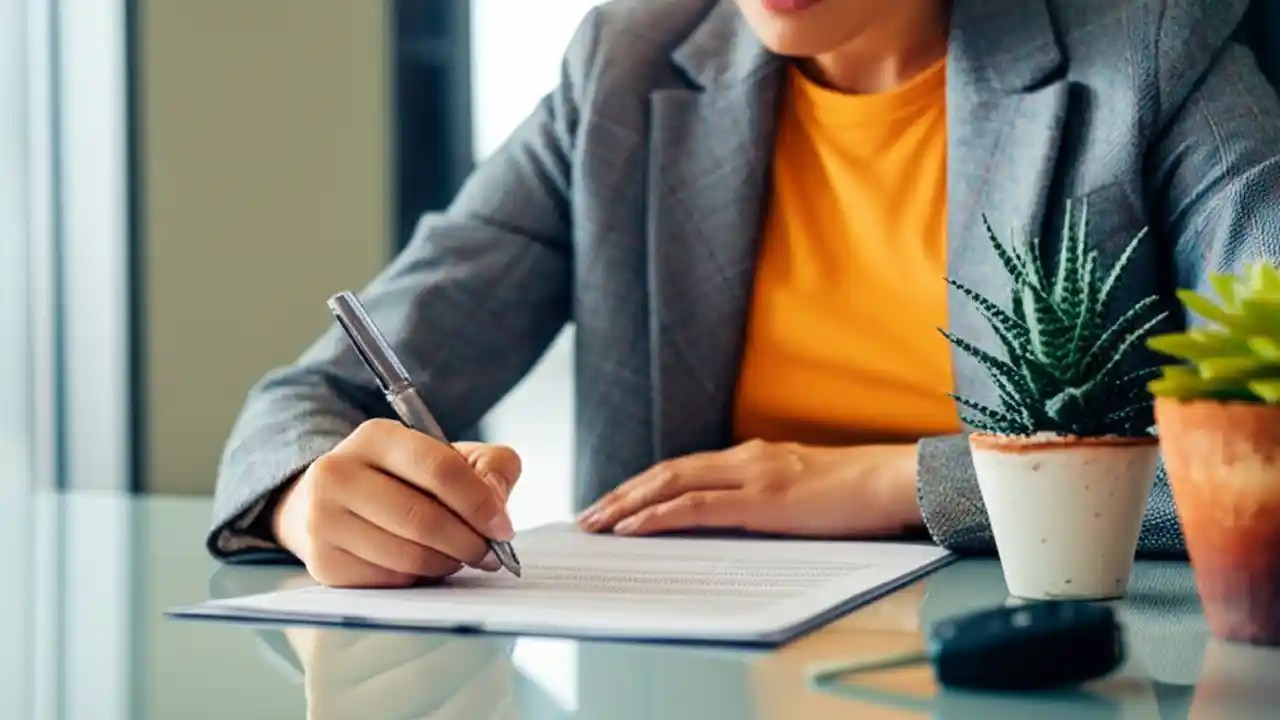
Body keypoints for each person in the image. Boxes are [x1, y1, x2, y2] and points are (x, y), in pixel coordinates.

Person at [209, 0, 1280, 587]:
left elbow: (1264, 446)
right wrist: (309, 495)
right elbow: (316, 393)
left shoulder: (1150, 49)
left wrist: (894, 485)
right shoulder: (627, 66)